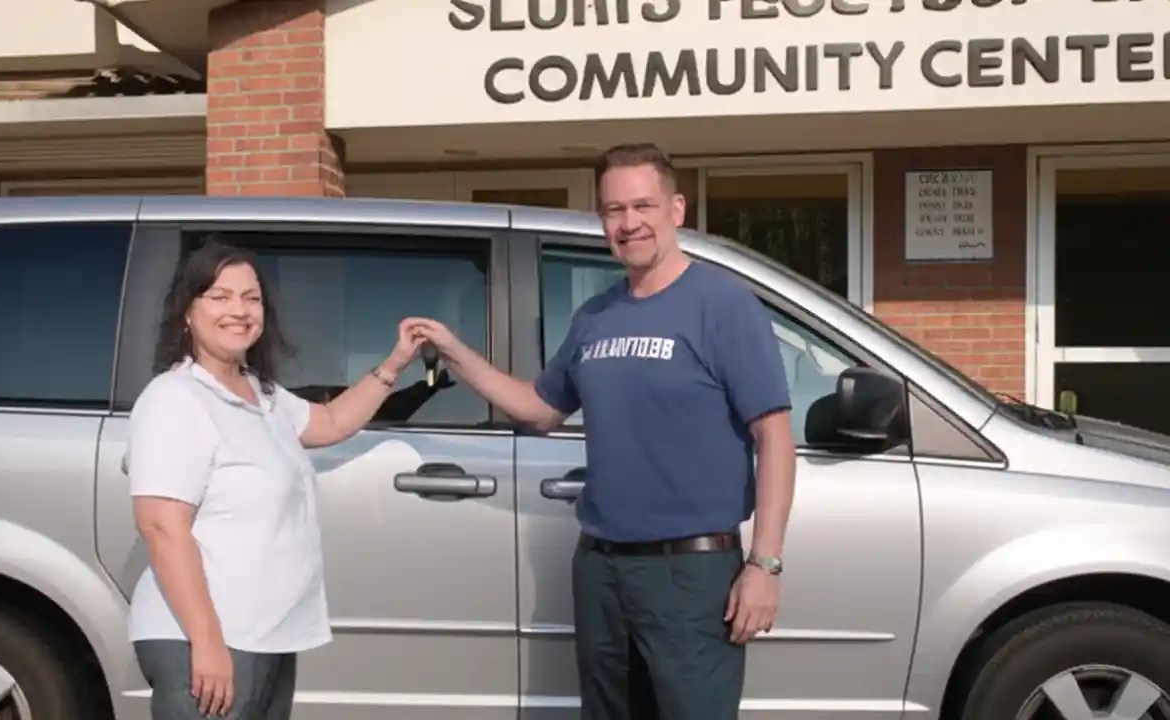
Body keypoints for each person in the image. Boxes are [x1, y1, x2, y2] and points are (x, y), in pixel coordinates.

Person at [407, 142, 798, 719]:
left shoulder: (722, 305)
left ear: (677, 209)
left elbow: (775, 436)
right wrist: (455, 353)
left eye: (643, 205)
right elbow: (540, 408)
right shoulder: (596, 316)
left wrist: (763, 566)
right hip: (601, 570)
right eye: (614, 210)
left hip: (691, 574)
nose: (629, 223)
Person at [125, 240, 426, 719]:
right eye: (220, 297)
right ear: (187, 310)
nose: (239, 311)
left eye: (251, 297)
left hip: (263, 635)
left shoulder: (258, 394)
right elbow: (162, 526)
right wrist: (206, 643)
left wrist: (393, 365)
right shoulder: (175, 400)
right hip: (208, 639)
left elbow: (329, 422)